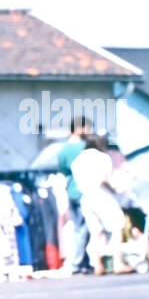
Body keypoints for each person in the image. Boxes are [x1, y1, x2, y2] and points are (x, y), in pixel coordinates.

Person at [69, 134, 125, 276]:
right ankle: (118, 262)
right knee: (117, 226)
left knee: (96, 231)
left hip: (86, 197)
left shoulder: (77, 160)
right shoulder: (102, 157)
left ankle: (98, 264)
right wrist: (115, 190)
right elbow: (103, 179)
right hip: (102, 195)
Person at [56, 116, 93, 273]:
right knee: (88, 227)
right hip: (86, 189)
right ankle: (80, 262)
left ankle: (80, 261)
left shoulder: (63, 150)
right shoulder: (86, 147)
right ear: (80, 128)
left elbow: (63, 171)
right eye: (88, 127)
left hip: (71, 190)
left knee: (78, 227)